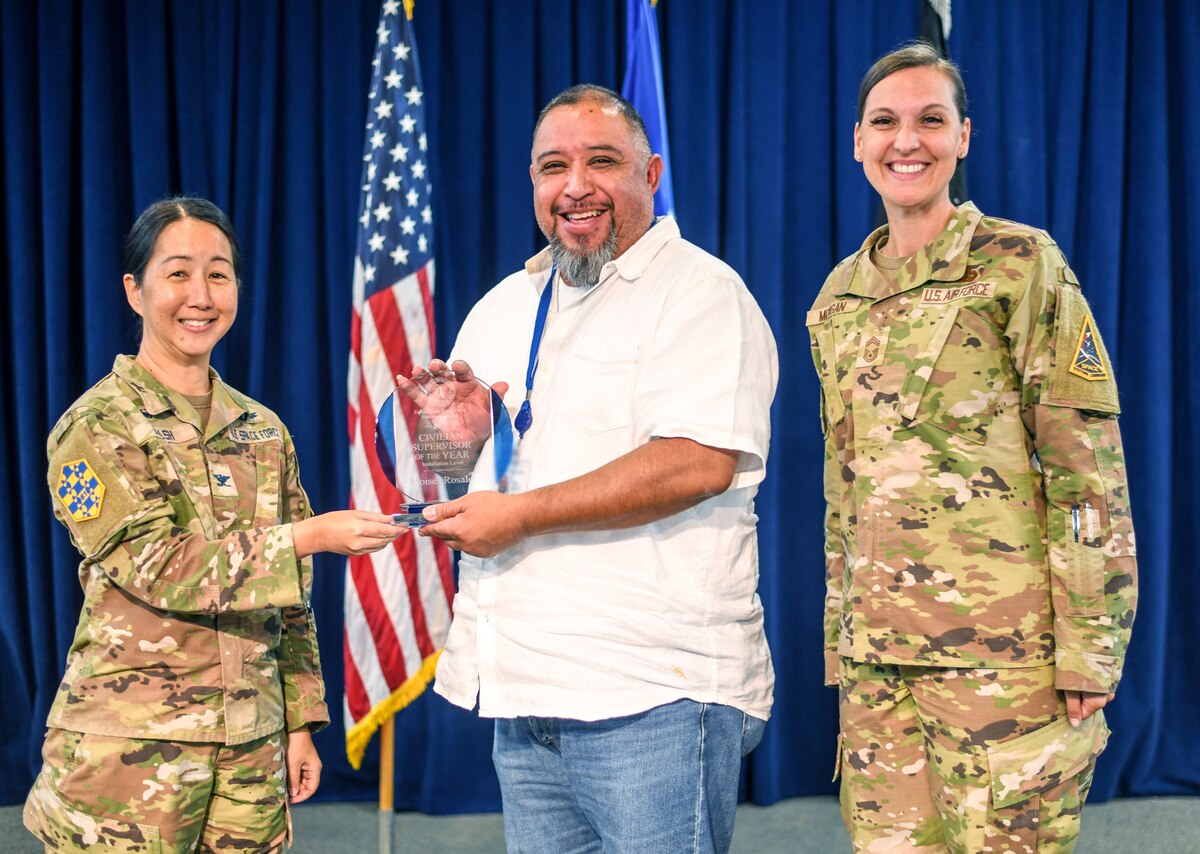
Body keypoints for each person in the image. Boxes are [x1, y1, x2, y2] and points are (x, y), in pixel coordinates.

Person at [410, 84, 778, 853]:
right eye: (553, 167)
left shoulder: (702, 294)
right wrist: (453, 444)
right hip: (526, 694)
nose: (574, 186)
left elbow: (696, 463)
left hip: (654, 698)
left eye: (600, 161)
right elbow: (452, 471)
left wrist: (521, 514)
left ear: (651, 174)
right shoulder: (503, 305)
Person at [807, 43, 1138, 853]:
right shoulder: (836, 299)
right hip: (877, 667)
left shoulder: (1019, 264)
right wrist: (839, 644)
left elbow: (1085, 465)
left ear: (964, 138)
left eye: (930, 120)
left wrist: (1092, 645)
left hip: (1005, 661)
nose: (906, 141)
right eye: (885, 122)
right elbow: (843, 488)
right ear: (858, 141)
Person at [23, 197, 402, 852]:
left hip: (249, 756)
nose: (200, 296)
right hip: (130, 757)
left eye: (218, 274)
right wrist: (308, 536)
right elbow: (160, 568)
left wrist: (298, 721)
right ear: (134, 291)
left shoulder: (261, 428)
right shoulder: (97, 424)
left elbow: (291, 600)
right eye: (177, 273)